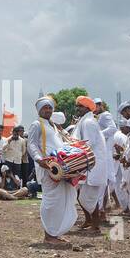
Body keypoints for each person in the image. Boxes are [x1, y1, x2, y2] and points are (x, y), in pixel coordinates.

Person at [28, 95, 77, 245]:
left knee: (60, 201)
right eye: (45, 107)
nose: (48, 110)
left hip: (60, 168)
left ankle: (55, 233)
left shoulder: (53, 125)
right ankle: (49, 236)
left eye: (50, 107)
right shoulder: (37, 124)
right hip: (48, 168)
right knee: (51, 201)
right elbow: (31, 145)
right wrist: (39, 159)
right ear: (39, 110)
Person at [73, 96, 110, 230]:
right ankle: (89, 221)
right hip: (87, 164)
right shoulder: (84, 121)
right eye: (77, 106)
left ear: (87, 108)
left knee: (88, 197)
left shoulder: (88, 122)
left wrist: (72, 148)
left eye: (80, 106)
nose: (78, 109)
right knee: (80, 195)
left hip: (92, 165)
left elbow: (88, 143)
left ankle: (95, 225)